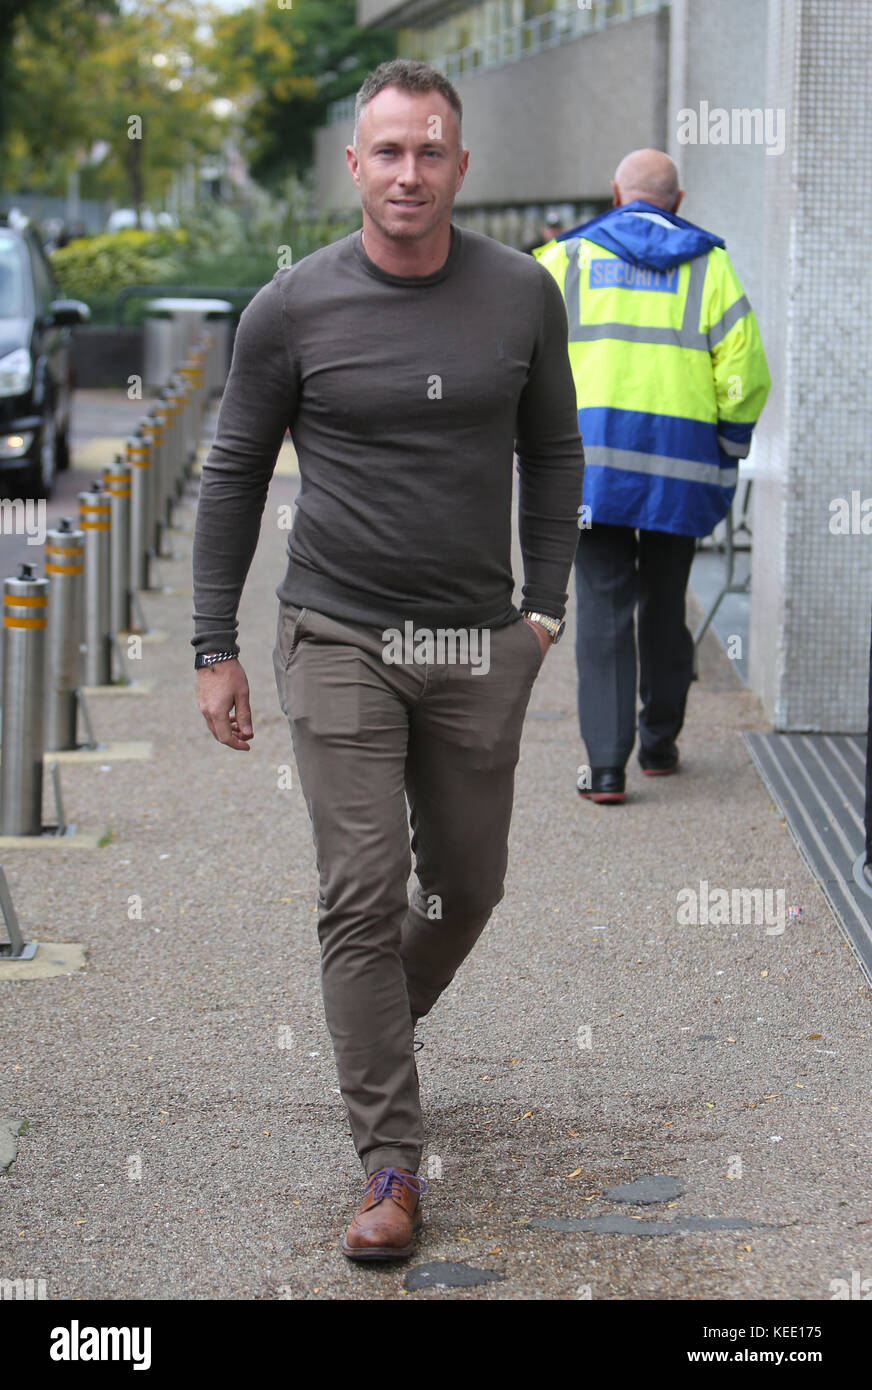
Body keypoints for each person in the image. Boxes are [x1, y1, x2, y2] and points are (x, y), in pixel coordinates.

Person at [191, 58, 584, 1259]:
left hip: (475, 640)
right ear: (353, 165)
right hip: (337, 633)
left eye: (429, 151)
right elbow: (232, 473)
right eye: (387, 152)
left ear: (460, 167)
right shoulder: (292, 308)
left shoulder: (520, 295)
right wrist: (215, 644)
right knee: (359, 890)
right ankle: (390, 1165)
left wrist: (544, 614)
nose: (407, 172)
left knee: (464, 889)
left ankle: (371, 1029)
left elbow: (555, 453)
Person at [535, 149, 770, 803]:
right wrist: (728, 443)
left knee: (604, 608)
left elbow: (512, 355)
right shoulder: (710, 264)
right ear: (680, 200)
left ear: (615, 194)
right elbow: (745, 372)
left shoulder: (563, 260)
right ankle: (660, 744)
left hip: (591, 470)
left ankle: (607, 767)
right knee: (666, 602)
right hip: (680, 468)